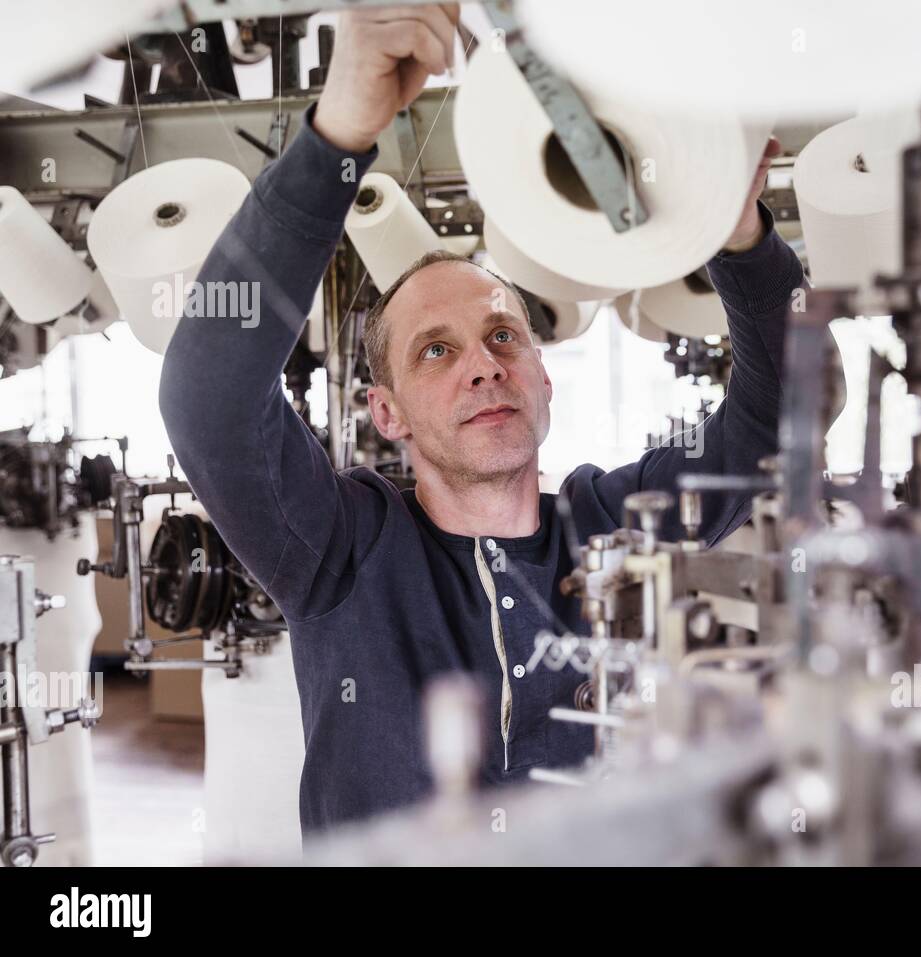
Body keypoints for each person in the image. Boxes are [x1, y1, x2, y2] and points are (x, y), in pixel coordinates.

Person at [159, 3, 808, 833]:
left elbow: (782, 413)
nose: (483, 364)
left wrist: (741, 238)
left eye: (504, 335)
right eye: (436, 350)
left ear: (544, 377)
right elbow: (208, 399)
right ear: (386, 412)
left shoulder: (614, 526)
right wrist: (337, 137)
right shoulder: (340, 549)